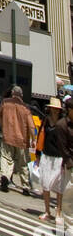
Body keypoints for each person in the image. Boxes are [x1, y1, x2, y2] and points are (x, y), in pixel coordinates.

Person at [36, 96, 73, 224]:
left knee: (59, 186)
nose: (55, 111)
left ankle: (58, 211)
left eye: (57, 109)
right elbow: (40, 136)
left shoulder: (64, 123)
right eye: (53, 109)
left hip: (59, 157)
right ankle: (47, 211)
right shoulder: (46, 121)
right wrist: (37, 154)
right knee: (45, 184)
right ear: (50, 109)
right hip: (46, 155)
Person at [0, 85, 36, 194]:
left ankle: (5, 175)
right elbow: (32, 126)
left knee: (6, 158)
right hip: (22, 140)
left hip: (8, 136)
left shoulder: (5, 103)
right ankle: (25, 186)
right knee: (23, 163)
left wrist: (3, 126)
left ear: (12, 93)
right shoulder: (25, 108)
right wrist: (33, 140)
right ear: (21, 95)